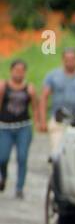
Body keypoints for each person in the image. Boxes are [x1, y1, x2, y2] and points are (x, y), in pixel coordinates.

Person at [40, 47, 75, 153]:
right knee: (57, 151)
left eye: (72, 59)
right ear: (62, 60)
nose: (70, 62)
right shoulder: (53, 76)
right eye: (67, 59)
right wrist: (43, 120)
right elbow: (44, 97)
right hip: (58, 119)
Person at [0, 59, 37, 198]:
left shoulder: (30, 88)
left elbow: (34, 106)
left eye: (21, 71)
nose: (19, 73)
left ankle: (19, 187)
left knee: (22, 157)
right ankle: (3, 177)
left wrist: (39, 122)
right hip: (5, 126)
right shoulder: (3, 86)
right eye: (16, 70)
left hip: (23, 126)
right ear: (11, 71)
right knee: (2, 157)